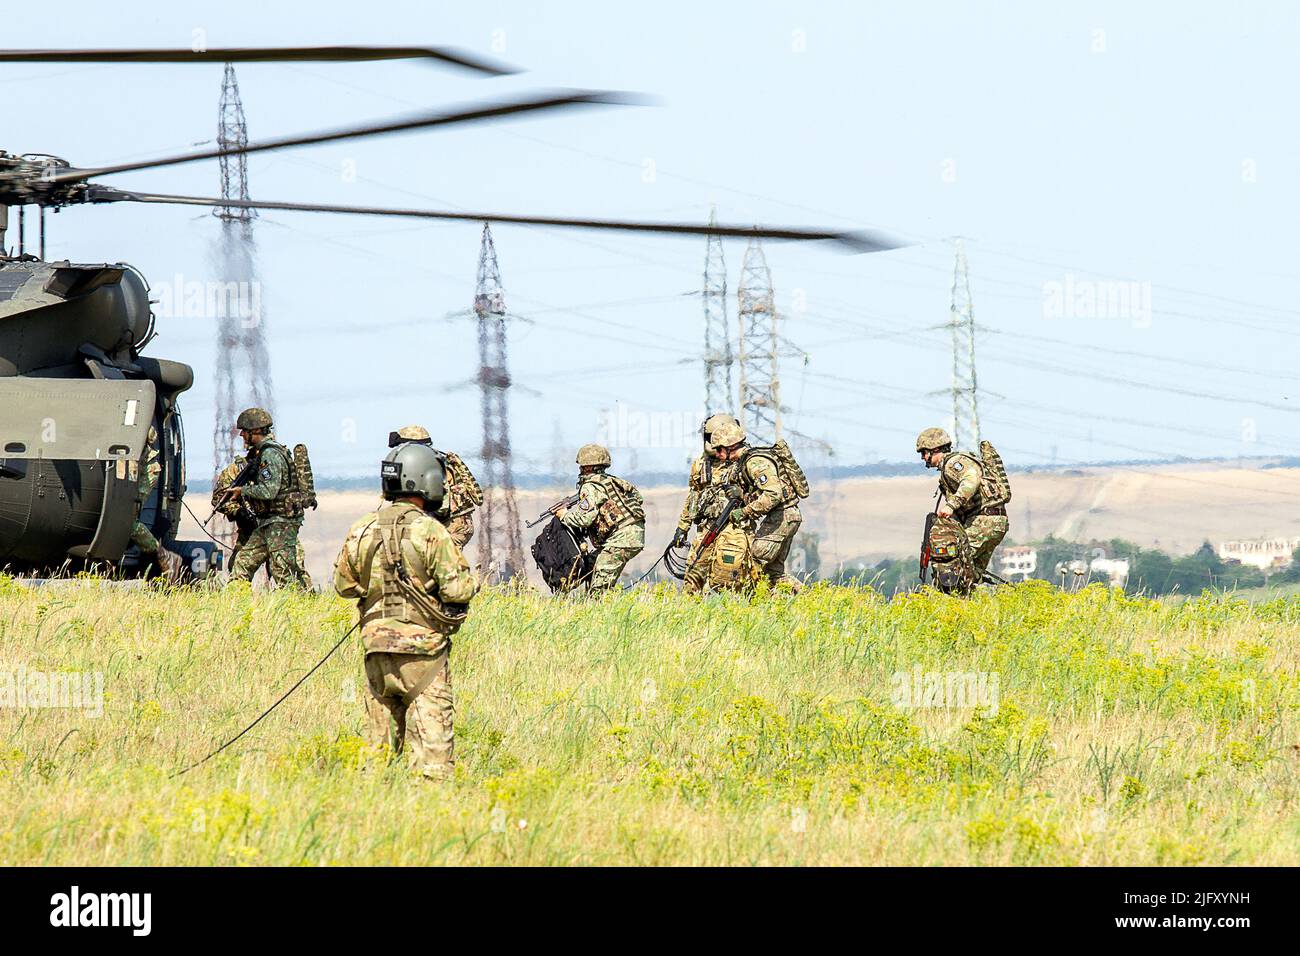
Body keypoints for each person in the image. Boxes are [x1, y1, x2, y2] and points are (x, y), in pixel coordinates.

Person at [333, 442, 479, 780]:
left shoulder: (362, 528)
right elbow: (458, 590)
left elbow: (344, 585)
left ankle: (373, 813)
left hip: (376, 654)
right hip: (422, 657)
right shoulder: (431, 531)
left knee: (377, 756)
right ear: (425, 481)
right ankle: (426, 821)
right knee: (432, 765)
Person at [711, 420, 804, 592]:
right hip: (786, 516)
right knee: (773, 573)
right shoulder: (744, 462)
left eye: (719, 449)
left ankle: (750, 602)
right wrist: (743, 496)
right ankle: (805, 599)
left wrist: (744, 511)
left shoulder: (755, 462)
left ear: (730, 446)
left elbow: (773, 494)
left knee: (753, 560)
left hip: (782, 516)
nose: (717, 454)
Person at [222, 408, 309, 587]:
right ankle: (235, 609)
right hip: (268, 523)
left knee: (283, 574)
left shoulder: (270, 454)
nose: (242, 435)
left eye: (244, 432)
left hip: (280, 524)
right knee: (241, 564)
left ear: (255, 432)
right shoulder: (265, 453)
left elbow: (269, 491)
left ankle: (300, 608)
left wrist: (243, 491)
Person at [916, 427, 1009, 581]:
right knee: (969, 575)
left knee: (952, 565)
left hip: (983, 521)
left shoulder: (953, 464)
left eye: (924, 452)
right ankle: (969, 602)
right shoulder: (952, 465)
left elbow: (971, 480)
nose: (923, 458)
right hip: (995, 521)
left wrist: (951, 505)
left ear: (935, 449)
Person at [556, 443, 645, 592]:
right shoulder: (612, 481)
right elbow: (638, 498)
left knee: (599, 589)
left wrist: (564, 515)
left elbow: (585, 519)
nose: (580, 469)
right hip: (633, 535)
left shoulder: (590, 486)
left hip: (621, 540)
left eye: (582, 466)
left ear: (588, 466)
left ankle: (599, 610)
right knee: (590, 565)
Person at [212, 454, 310, 587]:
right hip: (250, 530)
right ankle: (237, 603)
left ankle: (304, 601)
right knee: (238, 569)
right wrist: (239, 511)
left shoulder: (279, 467)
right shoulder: (236, 470)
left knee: (293, 570)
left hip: (279, 531)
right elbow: (220, 499)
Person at [674, 414, 741, 594]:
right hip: (706, 529)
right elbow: (693, 496)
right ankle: (691, 615)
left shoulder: (742, 461)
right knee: (693, 575)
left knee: (730, 578)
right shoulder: (700, 465)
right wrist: (682, 528)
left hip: (734, 529)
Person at [389, 425, 481, 550]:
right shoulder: (428, 462)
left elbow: (441, 507)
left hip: (453, 526)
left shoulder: (434, 465)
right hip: (446, 524)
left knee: (441, 563)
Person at [129, 425, 183, 581]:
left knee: (130, 522)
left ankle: (164, 556)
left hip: (146, 470)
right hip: (142, 467)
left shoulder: (138, 420)